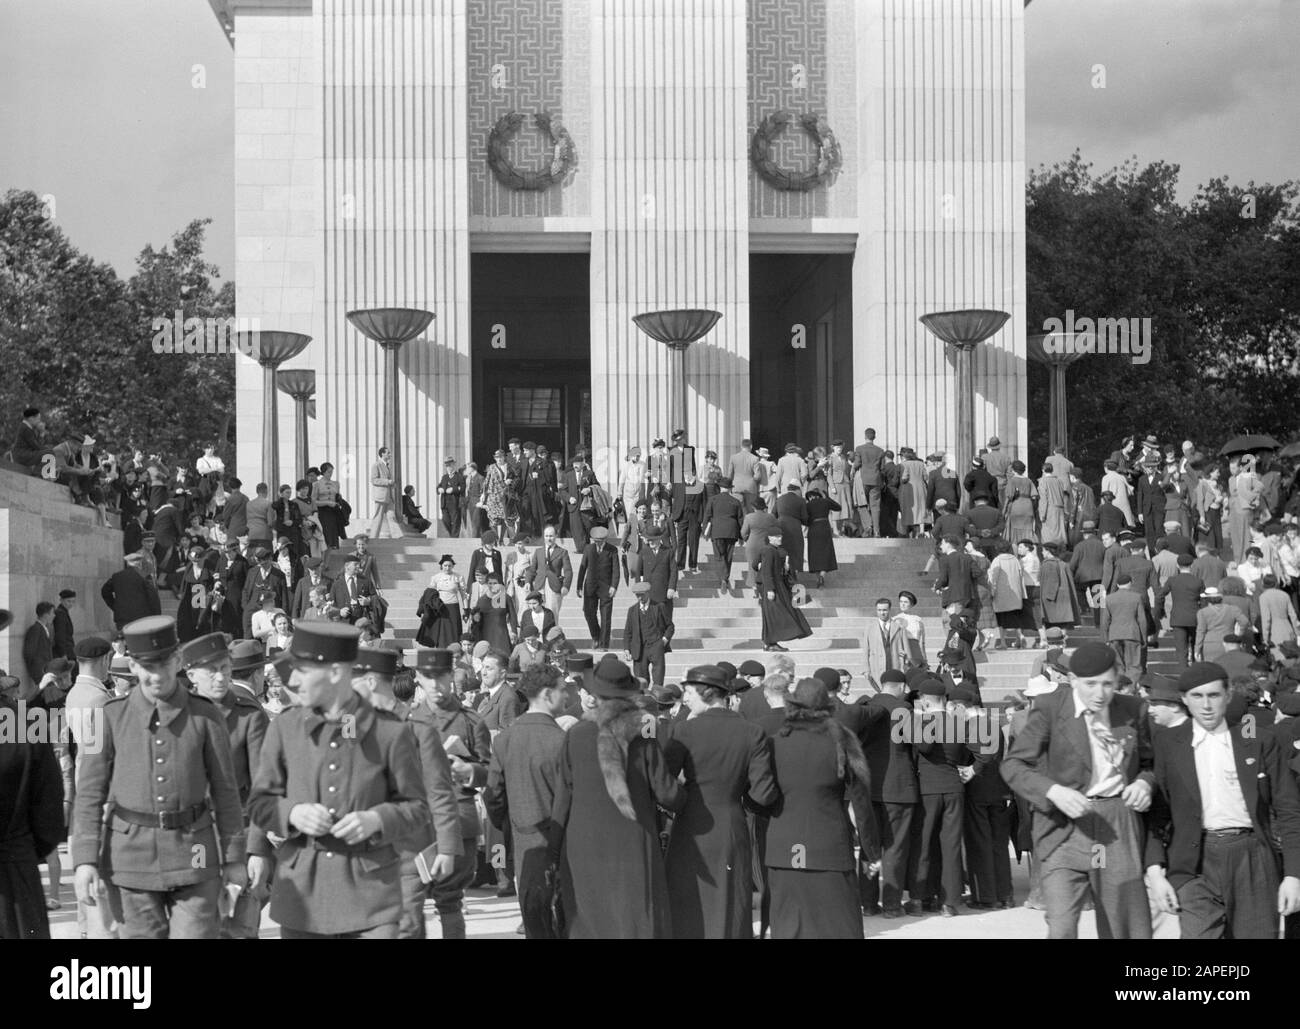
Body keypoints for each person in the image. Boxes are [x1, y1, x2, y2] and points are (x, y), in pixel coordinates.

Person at [248, 622, 430, 938]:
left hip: (371, 896)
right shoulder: (284, 728)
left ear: (334, 673)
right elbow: (260, 801)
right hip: (303, 895)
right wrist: (292, 813)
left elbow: (417, 807)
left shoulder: (389, 732)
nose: (292, 679)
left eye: (302, 670)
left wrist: (377, 819)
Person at [72, 616, 246, 939]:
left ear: (178, 659)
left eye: (164, 663)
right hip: (129, 859)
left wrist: (235, 858)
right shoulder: (106, 718)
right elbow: (89, 794)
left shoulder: (206, 716)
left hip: (195, 854)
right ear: (133, 667)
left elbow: (226, 792)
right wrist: (85, 859)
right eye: (146, 666)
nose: (156, 675)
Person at [1001, 642, 1155, 939]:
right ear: (1072, 681)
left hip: (1115, 825)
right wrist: (1052, 791)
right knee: (1061, 927)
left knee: (1121, 925)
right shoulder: (1050, 708)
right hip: (1063, 827)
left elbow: (1151, 763)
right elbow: (1014, 764)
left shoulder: (1133, 710)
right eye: (1090, 684)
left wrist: (1144, 782)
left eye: (1108, 684)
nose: (1100, 694)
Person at [1145, 662, 1300, 938]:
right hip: (1194, 862)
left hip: (1252, 857)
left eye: (1213, 695)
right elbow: (1160, 812)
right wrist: (1155, 871)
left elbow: (1289, 810)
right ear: (1184, 700)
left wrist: (1293, 875)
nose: (1206, 705)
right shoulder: (1169, 743)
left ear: (1228, 696)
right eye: (1197, 696)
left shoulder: (1259, 741)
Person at [551, 656, 685, 937]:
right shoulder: (643, 734)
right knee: (631, 917)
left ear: (596, 694)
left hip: (582, 843)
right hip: (631, 840)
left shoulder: (575, 733)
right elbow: (666, 792)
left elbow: (563, 796)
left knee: (590, 917)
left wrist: (552, 847)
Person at [660, 664, 778, 939]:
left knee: (688, 901)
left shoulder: (683, 731)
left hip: (690, 825)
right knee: (731, 900)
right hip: (732, 823)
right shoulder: (751, 732)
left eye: (688, 692)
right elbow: (763, 793)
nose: (685, 698)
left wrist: (680, 801)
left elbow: (663, 783)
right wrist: (740, 802)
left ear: (707, 692)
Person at [766, 677, 878, 938]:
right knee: (837, 926)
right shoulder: (842, 740)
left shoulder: (774, 741)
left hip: (784, 847)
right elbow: (861, 801)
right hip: (829, 846)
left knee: (789, 926)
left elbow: (758, 793)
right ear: (828, 706)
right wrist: (872, 851)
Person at [178, 633, 271, 939]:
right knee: (197, 922)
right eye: (212, 671)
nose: (220, 678)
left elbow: (263, 788)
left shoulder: (249, 717)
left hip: (238, 838)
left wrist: (258, 850)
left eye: (226, 669)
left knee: (240, 926)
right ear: (192, 675)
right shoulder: (178, 717)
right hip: (195, 840)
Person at [483, 664, 569, 938]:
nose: (566, 696)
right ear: (546, 694)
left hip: (524, 843)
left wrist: (510, 825)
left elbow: (493, 795)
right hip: (563, 847)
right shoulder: (563, 740)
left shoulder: (506, 739)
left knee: (536, 924)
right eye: (562, 690)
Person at [756, 529, 811, 653]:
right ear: (770, 538)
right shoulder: (768, 550)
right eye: (776, 536)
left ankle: (769, 643)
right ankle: (770, 642)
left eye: (780, 536)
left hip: (778, 584)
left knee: (774, 614)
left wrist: (785, 568)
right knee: (776, 614)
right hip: (772, 586)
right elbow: (766, 571)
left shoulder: (775, 551)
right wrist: (770, 589)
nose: (780, 538)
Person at [577, 525, 620, 650]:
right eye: (595, 541)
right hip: (590, 586)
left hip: (606, 587)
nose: (597, 543)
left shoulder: (612, 550)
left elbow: (616, 570)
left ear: (605, 539)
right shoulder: (588, 549)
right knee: (588, 613)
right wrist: (578, 586)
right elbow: (583, 567)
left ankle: (604, 644)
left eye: (599, 541)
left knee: (606, 616)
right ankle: (596, 636)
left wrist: (614, 586)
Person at [624, 582, 674, 686]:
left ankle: (658, 700)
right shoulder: (632, 610)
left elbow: (670, 626)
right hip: (639, 650)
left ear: (648, 593)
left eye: (642, 595)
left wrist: (664, 640)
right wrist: (627, 649)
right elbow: (628, 631)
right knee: (641, 684)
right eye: (637, 595)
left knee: (658, 681)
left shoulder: (659, 607)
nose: (639, 598)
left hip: (656, 646)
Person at [702, 476, 744, 595]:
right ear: (730, 488)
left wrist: (705, 531)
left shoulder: (713, 499)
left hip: (717, 531)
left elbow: (707, 516)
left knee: (719, 556)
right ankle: (725, 578)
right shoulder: (736, 501)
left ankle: (723, 579)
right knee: (728, 557)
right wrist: (741, 537)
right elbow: (741, 519)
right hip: (732, 531)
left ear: (720, 488)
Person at [417, 555, 465, 648]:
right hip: (440, 607)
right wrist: (425, 609)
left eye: (450, 566)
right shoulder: (436, 577)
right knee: (441, 630)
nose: (447, 568)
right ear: (441, 566)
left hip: (453, 606)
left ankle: (455, 648)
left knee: (454, 629)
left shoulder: (458, 577)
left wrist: (466, 608)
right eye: (445, 565)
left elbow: (463, 594)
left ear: (453, 566)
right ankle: (441, 649)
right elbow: (429, 593)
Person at [529, 524, 573, 617]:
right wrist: (527, 582)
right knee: (537, 615)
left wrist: (566, 586)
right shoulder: (538, 552)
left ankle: (553, 632)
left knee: (552, 615)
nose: (549, 538)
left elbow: (568, 571)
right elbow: (532, 569)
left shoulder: (562, 552)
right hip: (539, 586)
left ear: (556, 536)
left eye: (551, 536)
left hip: (554, 587)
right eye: (546, 536)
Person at [852, 428, 886, 537]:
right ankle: (877, 531)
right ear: (874, 437)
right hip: (876, 480)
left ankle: (868, 526)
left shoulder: (859, 449)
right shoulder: (880, 451)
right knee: (875, 506)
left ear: (865, 436)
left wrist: (853, 470)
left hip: (863, 479)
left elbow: (857, 464)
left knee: (862, 504)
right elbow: (882, 468)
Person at [804, 487, 840, 587]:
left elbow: (804, 519)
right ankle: (822, 576)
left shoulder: (808, 505)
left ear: (812, 496)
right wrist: (827, 498)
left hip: (813, 529)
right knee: (826, 553)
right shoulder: (825, 502)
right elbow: (838, 507)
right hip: (824, 527)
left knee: (814, 554)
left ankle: (817, 578)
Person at [862, 597, 901, 690]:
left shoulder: (898, 627)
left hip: (894, 665)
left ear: (889, 610)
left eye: (884, 610)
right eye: (879, 610)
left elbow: (902, 648)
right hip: (877, 666)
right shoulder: (869, 628)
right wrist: (866, 669)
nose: (882, 613)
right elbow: (865, 651)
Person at [367, 446, 402, 539]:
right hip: (381, 496)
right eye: (388, 453)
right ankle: (373, 537)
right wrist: (388, 482)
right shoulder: (376, 465)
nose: (390, 455)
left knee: (391, 516)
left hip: (388, 496)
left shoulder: (386, 466)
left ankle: (397, 535)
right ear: (382, 454)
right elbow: (374, 480)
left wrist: (392, 484)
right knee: (378, 517)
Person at [23, 602, 56, 691]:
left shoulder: (45, 628)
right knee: (45, 694)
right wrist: (36, 669)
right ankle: (21, 705)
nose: (54, 615)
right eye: (52, 613)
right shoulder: (35, 628)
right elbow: (29, 652)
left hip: (45, 669)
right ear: (45, 614)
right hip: (39, 670)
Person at [727, 438, 761, 513]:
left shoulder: (733, 457)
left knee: (737, 510)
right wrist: (752, 480)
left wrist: (729, 486)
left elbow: (729, 475)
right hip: (750, 487)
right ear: (751, 446)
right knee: (750, 510)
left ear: (741, 446)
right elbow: (757, 476)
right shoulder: (755, 458)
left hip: (736, 486)